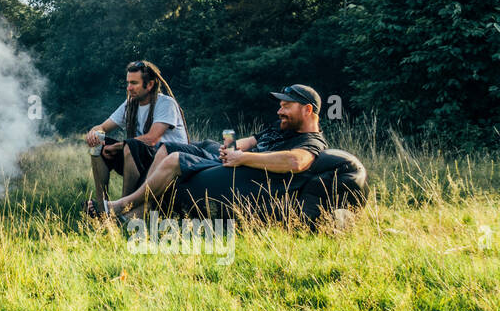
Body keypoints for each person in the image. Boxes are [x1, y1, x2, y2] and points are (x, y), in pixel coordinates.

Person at [97, 84, 329, 222]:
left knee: (176, 160)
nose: (280, 111)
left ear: (307, 110)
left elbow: (295, 161)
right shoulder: (279, 128)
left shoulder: (311, 141)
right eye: (280, 106)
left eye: (286, 106)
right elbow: (248, 142)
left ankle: (123, 207)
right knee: (168, 148)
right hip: (227, 164)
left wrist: (243, 157)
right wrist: (231, 148)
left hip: (238, 177)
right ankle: (138, 210)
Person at [83, 60, 191, 214]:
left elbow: (151, 139)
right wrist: (94, 134)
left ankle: (123, 209)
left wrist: (118, 146)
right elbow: (102, 126)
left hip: (165, 161)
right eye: (128, 83)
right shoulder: (130, 104)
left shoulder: (166, 103)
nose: (129, 88)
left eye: (134, 83)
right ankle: (103, 207)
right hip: (141, 157)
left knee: (130, 146)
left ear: (150, 84)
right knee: (99, 145)